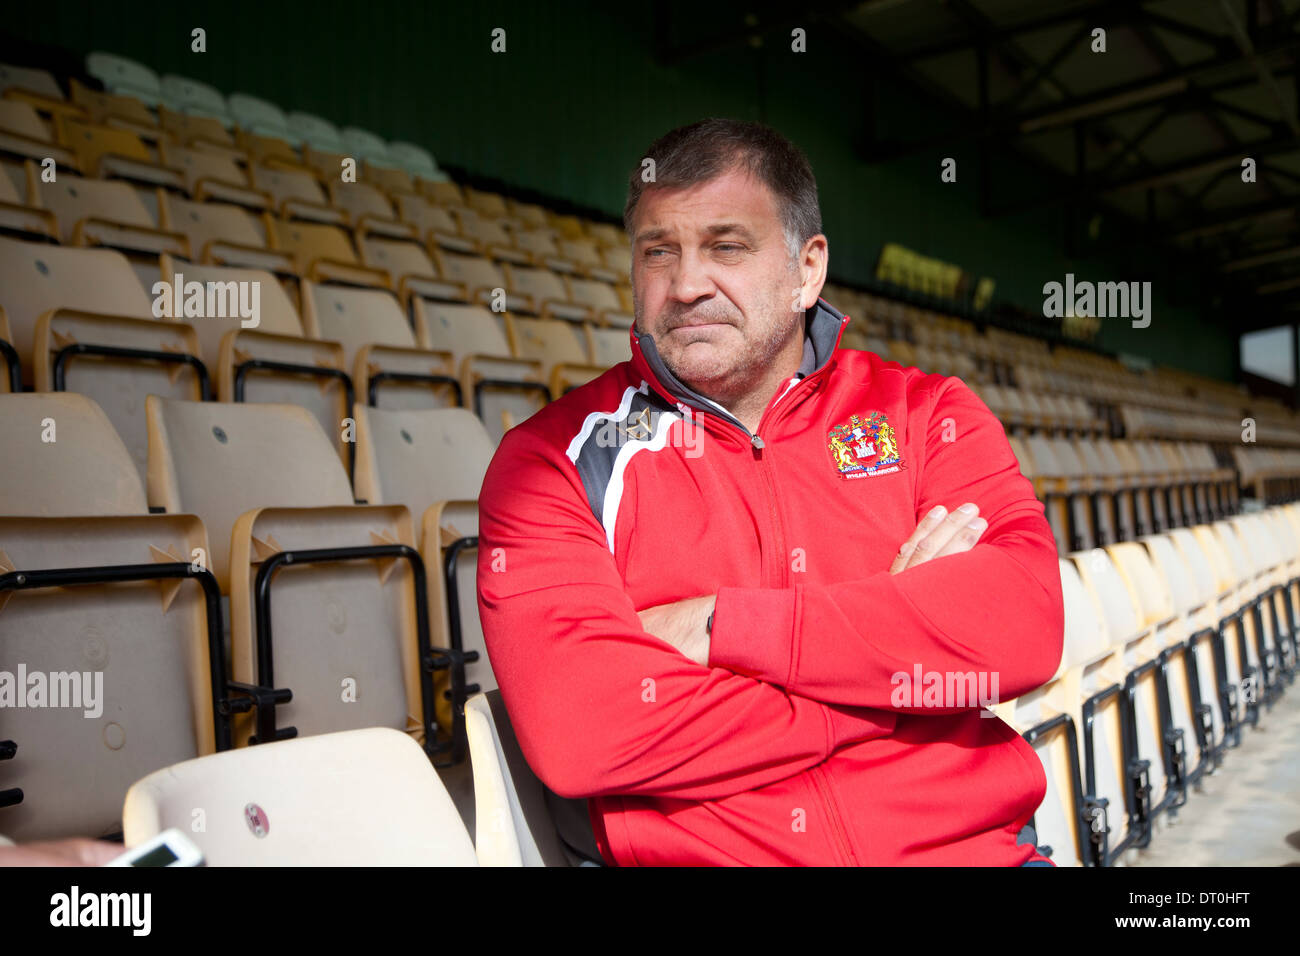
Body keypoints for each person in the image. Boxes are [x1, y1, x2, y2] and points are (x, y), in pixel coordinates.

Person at [475, 118, 1064, 866]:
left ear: (806, 269)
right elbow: (583, 729)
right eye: (659, 251)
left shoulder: (927, 415)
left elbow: (1022, 623)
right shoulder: (548, 462)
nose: (686, 285)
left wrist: (729, 628)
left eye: (727, 246)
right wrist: (894, 671)